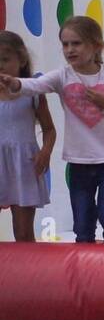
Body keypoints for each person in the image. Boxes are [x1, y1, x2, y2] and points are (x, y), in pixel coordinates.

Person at [0, 17, 104, 243]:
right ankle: (84, 269)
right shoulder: (63, 76)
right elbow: (35, 85)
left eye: (76, 43)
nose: (69, 49)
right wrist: (15, 83)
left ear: (96, 46)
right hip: (79, 162)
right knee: (82, 222)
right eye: (65, 44)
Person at [0, 31, 56, 241]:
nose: (0, 65)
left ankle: (27, 273)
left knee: (23, 233)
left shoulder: (32, 91)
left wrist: (45, 152)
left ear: (21, 60)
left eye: (5, 59)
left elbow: (49, 129)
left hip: (23, 165)